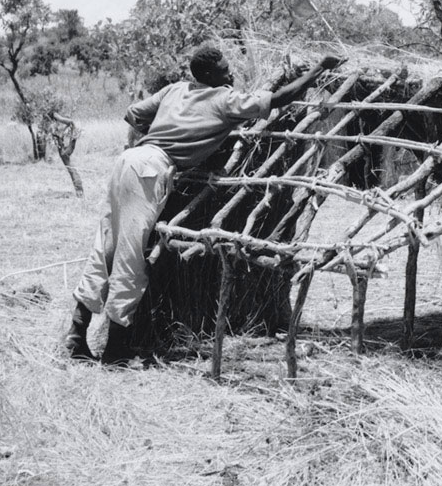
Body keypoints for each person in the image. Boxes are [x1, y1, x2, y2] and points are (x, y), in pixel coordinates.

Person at [64, 46, 342, 364]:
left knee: (106, 247)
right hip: (151, 169)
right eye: (224, 70)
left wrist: (167, 132)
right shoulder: (223, 99)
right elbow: (278, 99)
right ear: (210, 75)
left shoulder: (175, 90)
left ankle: (76, 334)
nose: (231, 73)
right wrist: (319, 68)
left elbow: (134, 114)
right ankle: (115, 348)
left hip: (128, 161)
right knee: (130, 255)